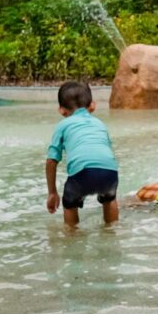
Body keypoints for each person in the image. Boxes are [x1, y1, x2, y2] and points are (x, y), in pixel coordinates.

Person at [45, 80, 120, 228]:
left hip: (82, 173)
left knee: (70, 204)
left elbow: (51, 161)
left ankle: (72, 237)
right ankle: (112, 231)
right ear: (92, 105)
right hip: (109, 171)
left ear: (61, 110)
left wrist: (52, 193)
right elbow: (106, 151)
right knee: (109, 199)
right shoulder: (100, 124)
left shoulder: (63, 125)